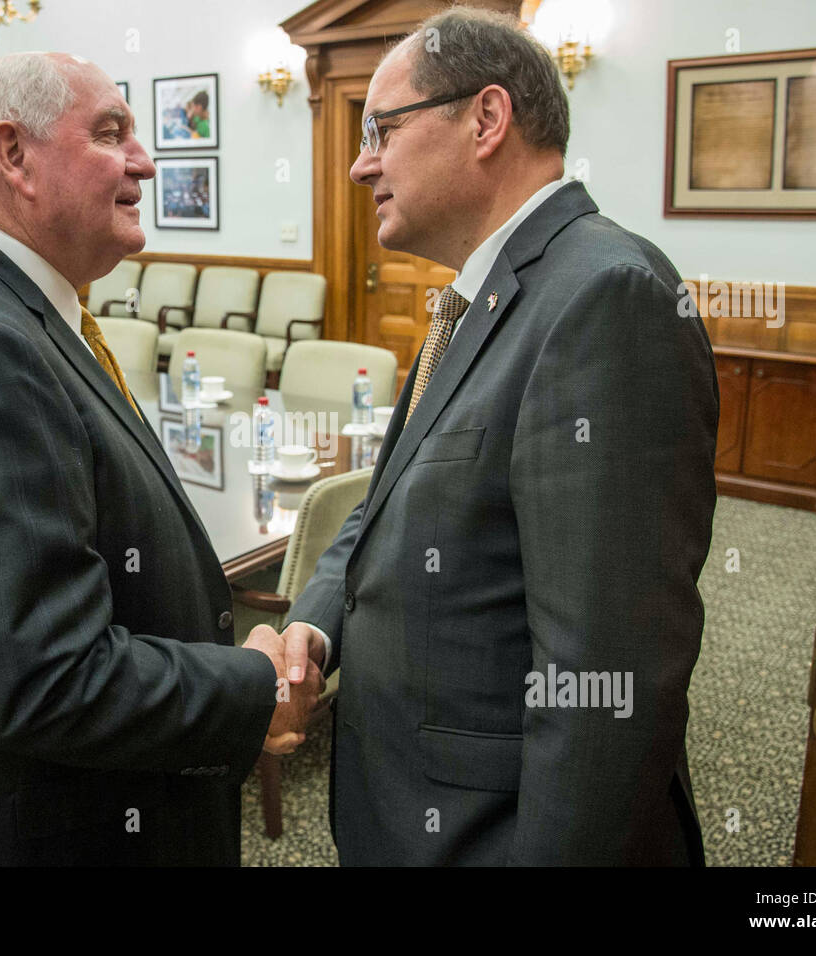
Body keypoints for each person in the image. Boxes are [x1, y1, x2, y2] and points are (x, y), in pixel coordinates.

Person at [0, 52, 321, 866]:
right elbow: (44, 679)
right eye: (111, 132)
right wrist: (251, 685)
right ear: (14, 156)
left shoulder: (6, 307)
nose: (146, 159)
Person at [270, 7, 718, 865]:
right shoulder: (483, 296)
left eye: (382, 129)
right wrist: (315, 630)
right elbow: (383, 507)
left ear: (485, 118)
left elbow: (605, 680)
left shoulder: (603, 298)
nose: (361, 163)